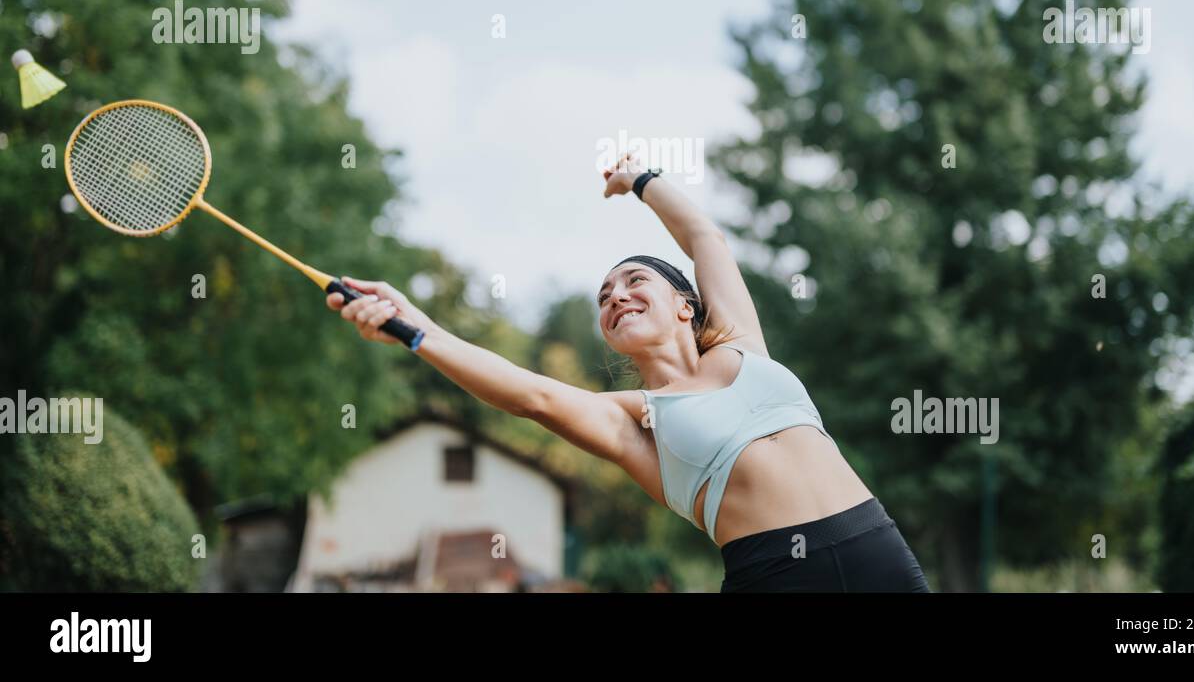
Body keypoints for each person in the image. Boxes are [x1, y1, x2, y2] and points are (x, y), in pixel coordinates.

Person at [327, 153, 931, 592]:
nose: (615, 297)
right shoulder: (635, 421)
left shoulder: (743, 343)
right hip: (774, 575)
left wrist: (640, 178)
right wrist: (413, 326)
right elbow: (530, 395)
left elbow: (704, 236)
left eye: (633, 282)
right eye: (603, 296)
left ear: (684, 304)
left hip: (874, 544)